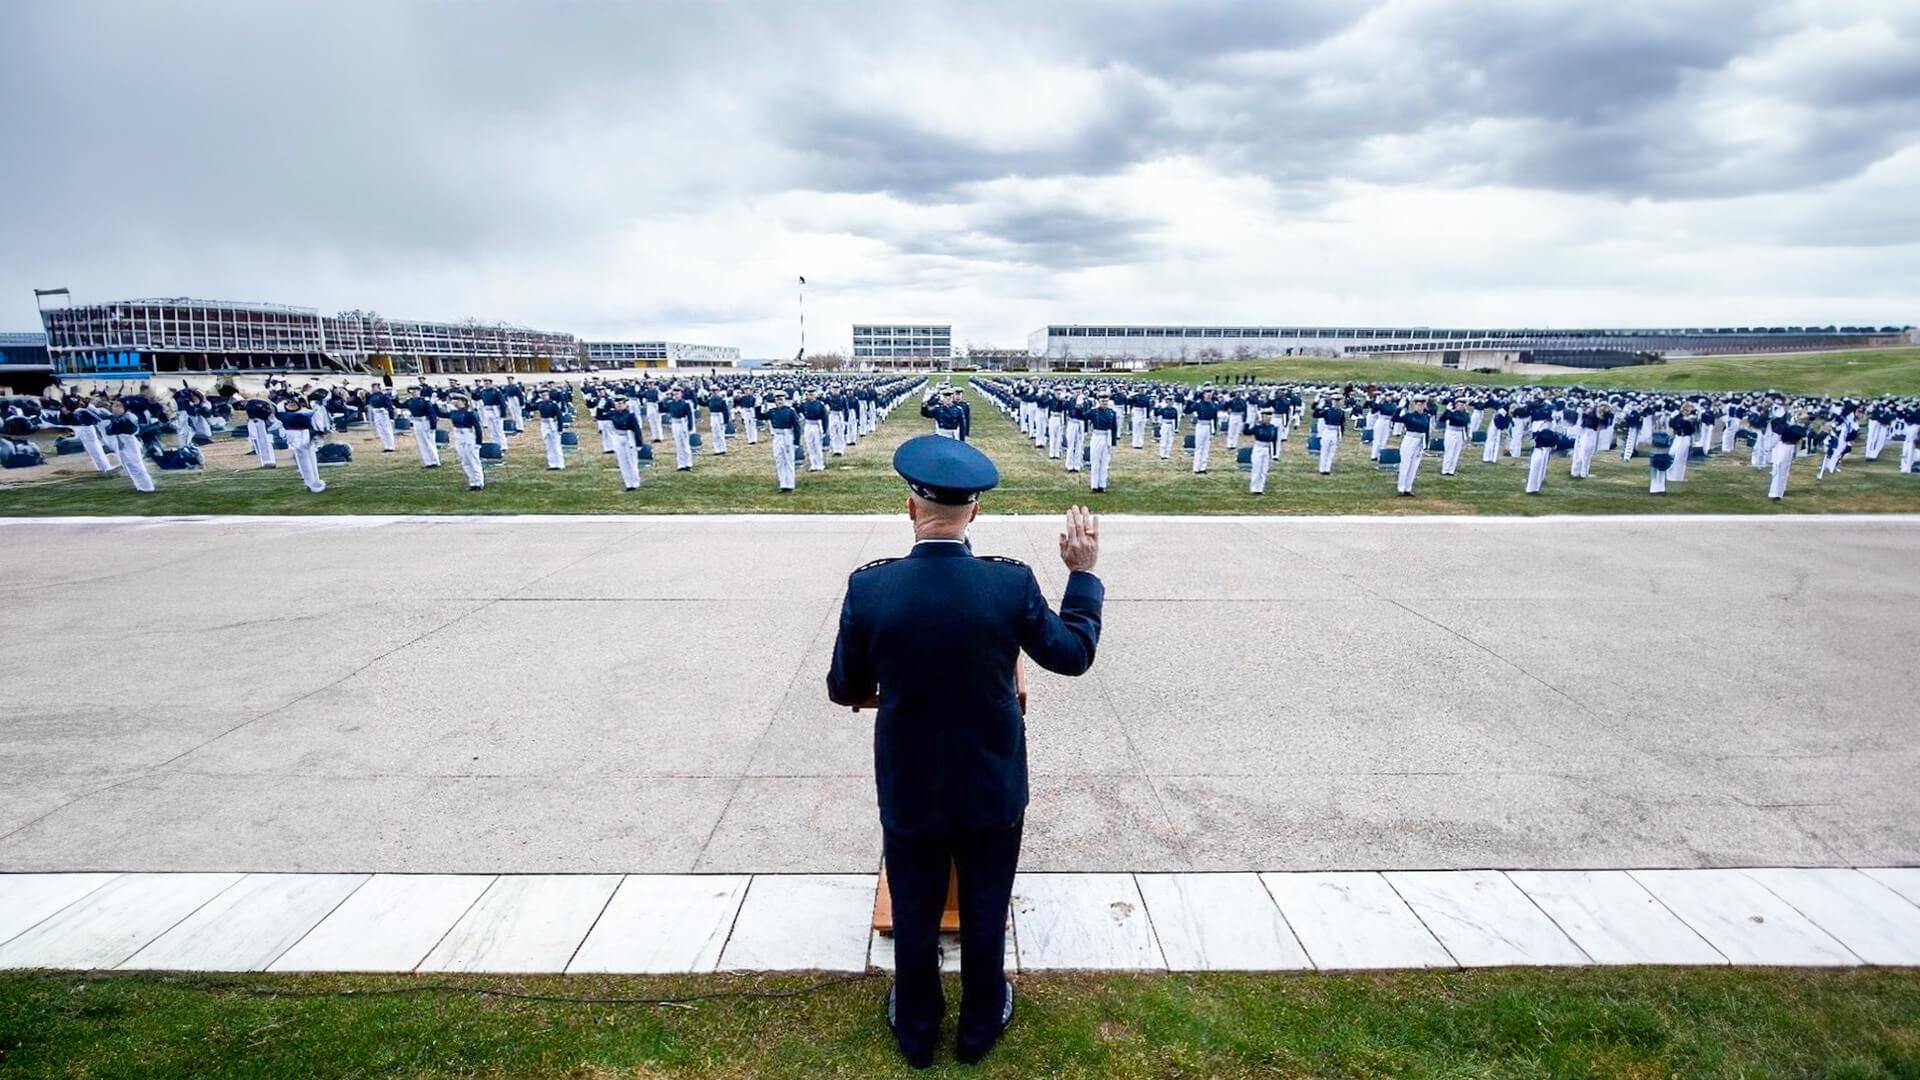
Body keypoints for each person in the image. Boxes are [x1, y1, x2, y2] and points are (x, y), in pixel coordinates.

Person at [828, 435, 1103, 1070]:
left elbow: (844, 686)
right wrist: (1082, 575)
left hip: (911, 784)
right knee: (984, 906)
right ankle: (978, 1027)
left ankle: (917, 1029)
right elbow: (1073, 654)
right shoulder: (1009, 584)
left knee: (915, 908)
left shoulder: (871, 588)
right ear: (974, 511)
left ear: (910, 507)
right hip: (990, 783)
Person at [274, 396, 327, 494]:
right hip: (293, 433)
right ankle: (311, 482)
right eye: (289, 403)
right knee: (303, 458)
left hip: (304, 433)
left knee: (309, 457)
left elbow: (316, 424)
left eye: (294, 403)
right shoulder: (282, 413)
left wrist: (318, 434)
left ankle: (314, 481)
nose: (291, 405)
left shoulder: (307, 412)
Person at [103, 402, 155, 493]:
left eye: (118, 406)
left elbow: (127, 427)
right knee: (128, 466)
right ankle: (140, 486)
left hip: (130, 442)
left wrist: (113, 420)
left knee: (136, 465)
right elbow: (109, 431)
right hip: (120, 442)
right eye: (113, 406)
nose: (114, 408)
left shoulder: (130, 416)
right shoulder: (116, 418)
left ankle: (147, 487)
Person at [447, 394, 487, 491]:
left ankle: (479, 482)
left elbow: (477, 428)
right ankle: (472, 481)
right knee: (465, 460)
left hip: (468, 435)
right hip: (458, 435)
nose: (455, 402)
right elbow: (441, 414)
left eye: (458, 400)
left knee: (473, 459)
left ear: (464, 402)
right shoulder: (454, 413)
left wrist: (478, 442)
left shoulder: (469, 413)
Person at [765, 388, 800, 492]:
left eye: (781, 399)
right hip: (777, 436)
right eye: (777, 400)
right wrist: (758, 406)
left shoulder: (790, 411)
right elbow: (761, 416)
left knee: (788, 460)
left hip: (787, 436)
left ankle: (790, 484)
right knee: (779, 460)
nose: (779, 402)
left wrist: (796, 442)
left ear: (785, 400)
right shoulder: (772, 411)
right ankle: (783, 484)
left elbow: (797, 427)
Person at [1086, 392, 1118, 492]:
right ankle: (1094, 485)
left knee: (1105, 462)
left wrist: (1113, 442)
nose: (1104, 403)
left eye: (1106, 401)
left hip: (1107, 437)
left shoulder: (1112, 412)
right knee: (1095, 461)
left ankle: (1102, 485)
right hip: (1097, 436)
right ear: (1099, 401)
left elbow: (1114, 428)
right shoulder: (1094, 412)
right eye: (1102, 401)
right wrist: (1079, 406)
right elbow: (1083, 416)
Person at [402, 387, 442, 468]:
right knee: (421, 442)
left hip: (425, 422)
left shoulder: (425, 401)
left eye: (416, 391)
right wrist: (394, 397)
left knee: (429, 441)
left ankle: (435, 461)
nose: (414, 392)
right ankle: (428, 462)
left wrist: (433, 425)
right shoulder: (410, 401)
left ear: (419, 391)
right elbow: (400, 405)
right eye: (412, 391)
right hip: (416, 422)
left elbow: (431, 413)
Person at [610, 399, 644, 491]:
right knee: (623, 461)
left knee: (631, 461)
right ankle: (628, 483)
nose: (619, 405)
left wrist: (639, 443)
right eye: (617, 404)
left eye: (621, 404)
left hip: (628, 437)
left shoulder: (630, 415)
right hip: (618, 437)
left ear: (625, 405)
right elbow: (600, 415)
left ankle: (635, 482)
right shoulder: (613, 414)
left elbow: (637, 430)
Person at [1247, 405, 1280, 494]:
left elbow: (1274, 441)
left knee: (1264, 469)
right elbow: (1247, 432)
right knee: (1257, 468)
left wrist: (1274, 453)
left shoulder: (1273, 428)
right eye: (1266, 416)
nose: (1268, 418)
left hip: (1267, 448)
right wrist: (1248, 423)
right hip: (1258, 447)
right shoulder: (1258, 427)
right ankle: (1254, 488)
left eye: (1269, 416)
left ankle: (1260, 488)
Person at [535, 391, 566, 470]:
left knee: (556, 445)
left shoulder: (553, 404)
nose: (544, 396)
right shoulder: (540, 404)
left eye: (545, 395)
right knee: (548, 445)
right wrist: (532, 398)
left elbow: (559, 416)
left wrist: (560, 428)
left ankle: (560, 464)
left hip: (552, 424)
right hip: (544, 424)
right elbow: (529, 408)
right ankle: (552, 464)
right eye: (542, 395)